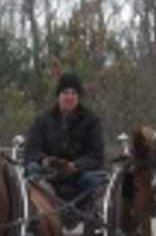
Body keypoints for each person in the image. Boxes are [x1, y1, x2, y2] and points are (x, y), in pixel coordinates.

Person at [24, 71, 107, 223]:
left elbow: (96, 156)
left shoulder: (92, 121)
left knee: (98, 180)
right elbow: (31, 151)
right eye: (65, 92)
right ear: (58, 95)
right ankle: (40, 219)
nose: (69, 96)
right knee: (31, 170)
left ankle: (94, 220)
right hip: (48, 176)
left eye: (74, 93)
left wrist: (74, 166)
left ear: (79, 96)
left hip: (80, 177)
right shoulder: (42, 121)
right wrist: (45, 161)